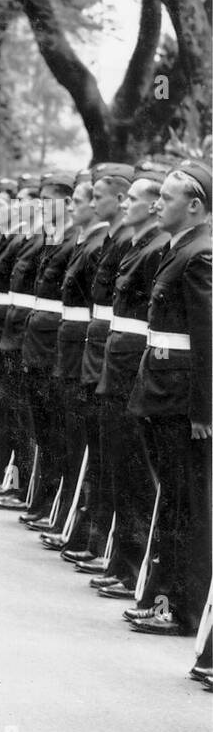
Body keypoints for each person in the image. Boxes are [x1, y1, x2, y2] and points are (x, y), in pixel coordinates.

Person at [126, 160, 211, 637]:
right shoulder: (180, 249)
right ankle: (166, 601)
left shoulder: (200, 254)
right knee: (174, 503)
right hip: (162, 392)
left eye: (168, 197)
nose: (158, 203)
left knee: (185, 506)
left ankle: (180, 609)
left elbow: (207, 339)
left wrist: (204, 411)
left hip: (181, 402)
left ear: (195, 206)